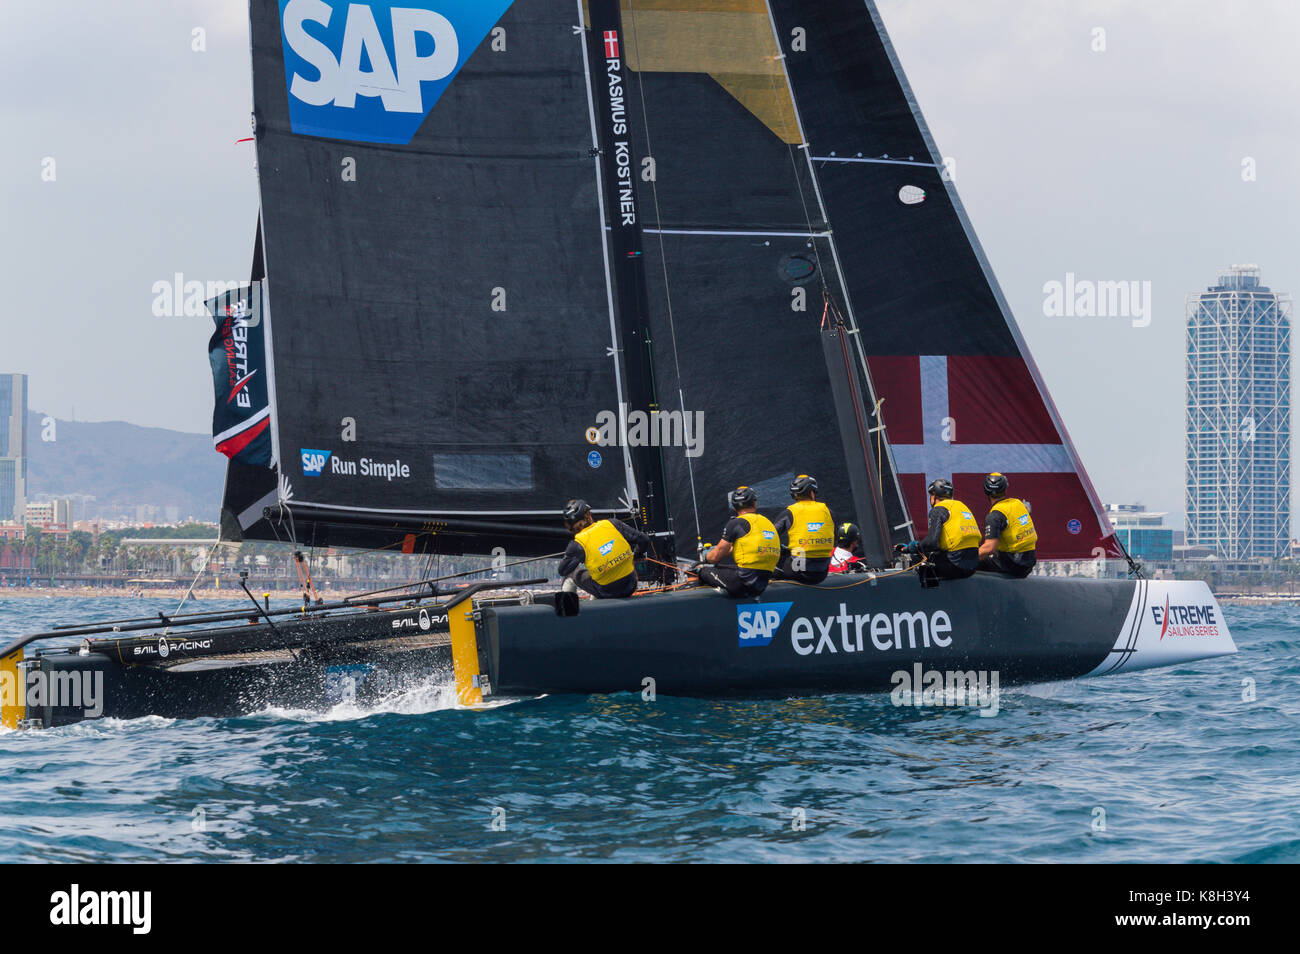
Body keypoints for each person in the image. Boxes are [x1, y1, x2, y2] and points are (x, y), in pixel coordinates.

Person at [695, 486, 779, 597]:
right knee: (724, 568)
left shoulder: (736, 523)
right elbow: (749, 547)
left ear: (734, 507)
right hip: (764, 579)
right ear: (754, 503)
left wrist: (705, 559)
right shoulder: (767, 523)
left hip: (745, 583)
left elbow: (715, 557)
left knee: (702, 571)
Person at [557, 499, 650, 599]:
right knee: (595, 577)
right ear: (588, 515)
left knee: (570, 576)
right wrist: (636, 555)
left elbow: (563, 571)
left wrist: (578, 556)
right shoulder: (613, 524)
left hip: (607, 592)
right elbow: (644, 539)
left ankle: (568, 611)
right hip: (630, 585)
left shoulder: (577, 544)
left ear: (570, 527)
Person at [894, 478, 980, 580]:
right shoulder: (961, 506)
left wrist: (913, 547)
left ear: (934, 496)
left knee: (915, 559)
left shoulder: (938, 509)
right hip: (973, 566)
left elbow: (931, 543)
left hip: (955, 566)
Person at [772, 474, 834, 584]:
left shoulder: (789, 513)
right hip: (822, 571)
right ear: (812, 493)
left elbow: (769, 537)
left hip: (798, 571)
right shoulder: (827, 511)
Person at [977, 472, 1038, 578]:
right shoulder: (1018, 504)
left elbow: (989, 548)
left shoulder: (995, 516)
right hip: (1029, 561)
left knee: (973, 562)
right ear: (1005, 488)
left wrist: (967, 558)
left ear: (986, 491)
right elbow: (1027, 508)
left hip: (1012, 565)